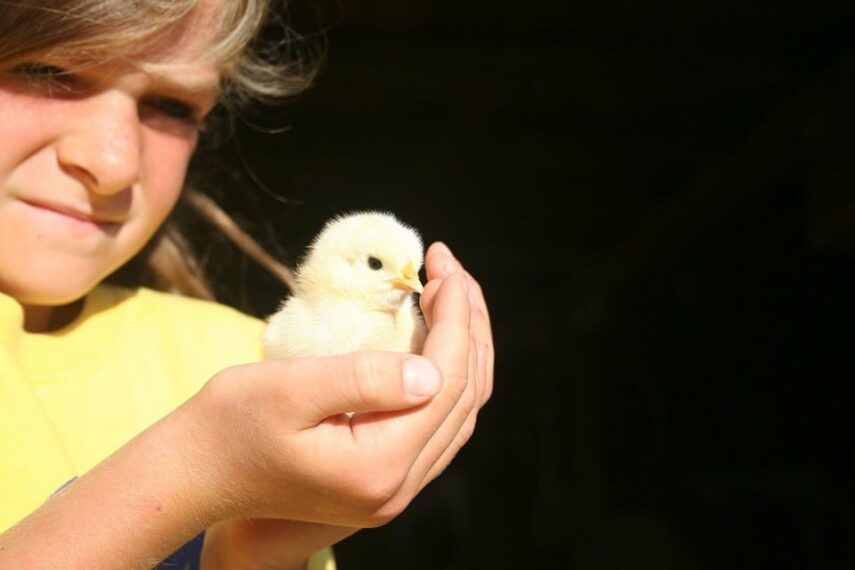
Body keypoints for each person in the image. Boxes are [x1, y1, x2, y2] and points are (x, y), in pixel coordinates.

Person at [0, 0, 494, 568]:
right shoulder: (244, 402)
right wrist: (193, 469)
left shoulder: (253, 366)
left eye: (170, 105)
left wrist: (246, 553)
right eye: (48, 71)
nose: (114, 163)